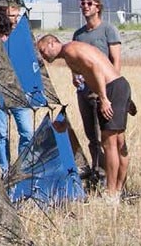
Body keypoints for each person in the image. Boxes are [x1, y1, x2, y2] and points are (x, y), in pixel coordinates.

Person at [35, 34, 131, 200]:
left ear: (52, 43)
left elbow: (96, 68)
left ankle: (112, 193)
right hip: (118, 86)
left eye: (43, 51)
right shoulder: (71, 52)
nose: (43, 56)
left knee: (110, 145)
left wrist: (103, 97)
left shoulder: (71, 50)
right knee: (119, 143)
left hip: (111, 90)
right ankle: (119, 190)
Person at [71, 0, 122, 180]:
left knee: (107, 137)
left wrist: (110, 91)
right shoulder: (78, 35)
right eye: (83, 3)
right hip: (84, 91)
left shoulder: (108, 30)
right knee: (92, 136)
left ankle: (110, 176)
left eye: (89, 3)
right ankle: (97, 172)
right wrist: (74, 76)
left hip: (105, 91)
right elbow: (74, 62)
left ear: (97, 7)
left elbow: (115, 60)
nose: (85, 6)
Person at [0, 5, 33, 173]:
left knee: (27, 132)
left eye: (17, 15)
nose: (15, 19)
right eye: (12, 15)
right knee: (1, 134)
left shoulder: (23, 37)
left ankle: (22, 169)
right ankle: (4, 170)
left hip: (19, 92)